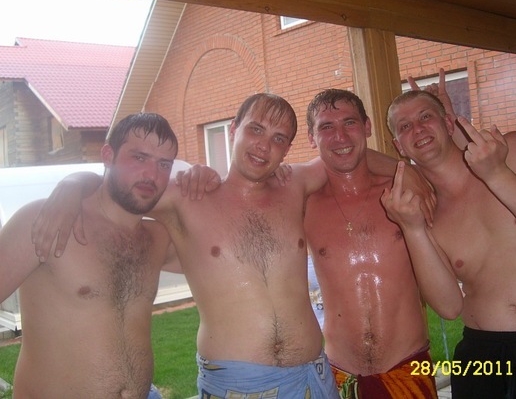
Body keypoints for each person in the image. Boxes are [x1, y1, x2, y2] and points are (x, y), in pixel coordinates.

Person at [33, 93, 434, 398]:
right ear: (233, 129)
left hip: (314, 377)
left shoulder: (295, 185)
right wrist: (72, 185)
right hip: (237, 385)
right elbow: (119, 187)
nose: (264, 146)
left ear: (287, 149)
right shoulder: (186, 197)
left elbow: (348, 155)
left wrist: (407, 170)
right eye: (255, 130)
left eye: (278, 138)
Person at [382, 87, 516, 398]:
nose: (417, 129)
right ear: (399, 146)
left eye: (425, 117)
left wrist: (496, 174)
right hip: (482, 359)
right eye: (405, 126)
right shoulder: (426, 211)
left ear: (448, 123)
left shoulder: (512, 150)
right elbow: (448, 307)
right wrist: (412, 229)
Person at [0, 113, 184, 398]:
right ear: (108, 155)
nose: (152, 175)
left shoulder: (158, 239)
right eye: (139, 158)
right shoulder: (47, 220)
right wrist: (75, 182)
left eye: (164, 164)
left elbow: (224, 256)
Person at [304, 89, 437, 398]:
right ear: (312, 138)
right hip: (339, 376)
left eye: (349, 122)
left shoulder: (404, 194)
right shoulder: (304, 204)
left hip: (408, 370)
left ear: (367, 127)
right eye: (326, 127)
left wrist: (407, 171)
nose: (340, 136)